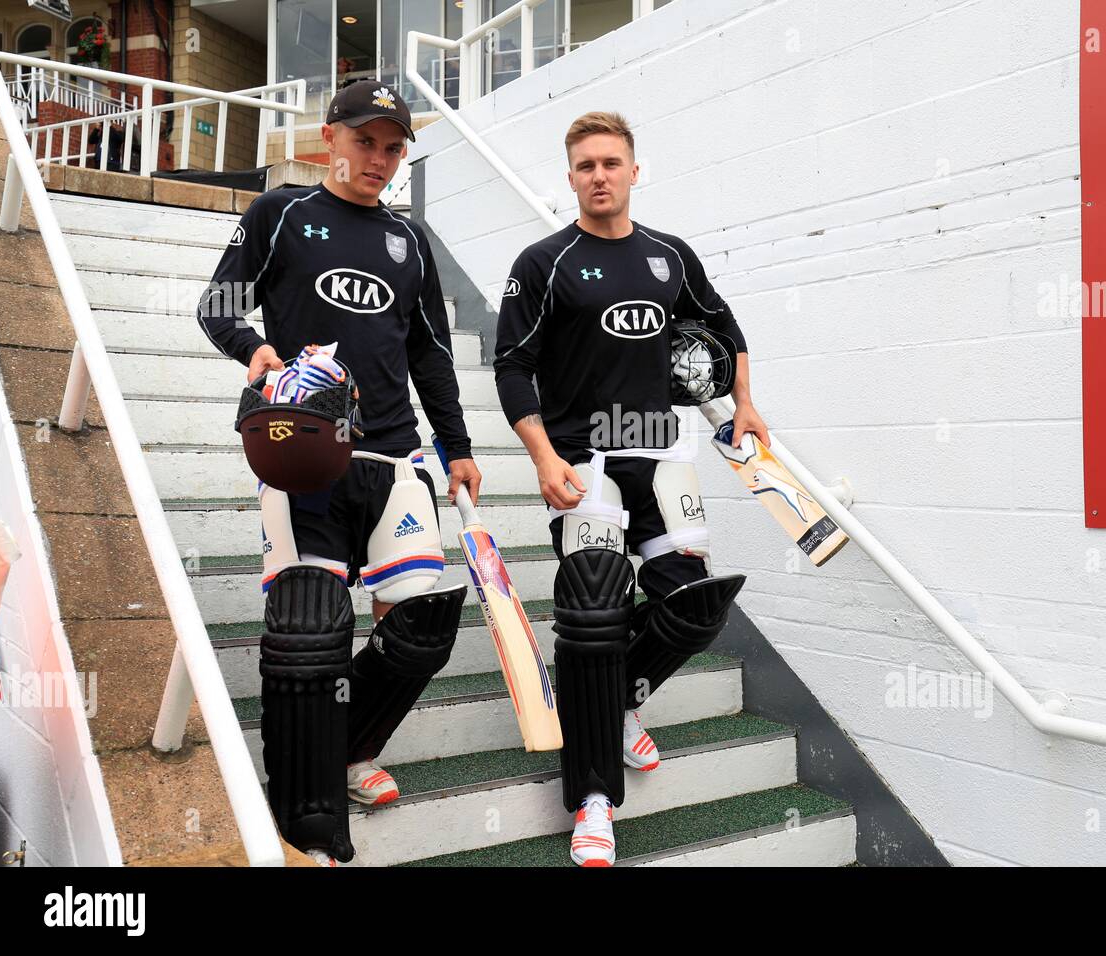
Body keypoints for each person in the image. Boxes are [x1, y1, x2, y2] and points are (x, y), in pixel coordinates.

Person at [196, 78, 482, 866]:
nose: (380, 160)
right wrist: (253, 352)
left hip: (395, 456)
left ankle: (341, 752)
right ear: (330, 137)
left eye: (393, 148)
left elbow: (428, 350)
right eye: (366, 142)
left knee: (421, 631)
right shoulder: (279, 213)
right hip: (305, 449)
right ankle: (306, 808)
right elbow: (218, 303)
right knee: (311, 632)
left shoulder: (409, 240)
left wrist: (455, 446)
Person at [493, 111, 767, 866]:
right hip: (585, 464)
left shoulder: (668, 257)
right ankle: (591, 802)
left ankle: (607, 701)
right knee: (593, 613)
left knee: (693, 604)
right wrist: (545, 456)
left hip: (662, 458)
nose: (600, 175)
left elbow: (722, 328)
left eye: (612, 162)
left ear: (634, 171)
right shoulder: (544, 261)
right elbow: (512, 366)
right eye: (585, 165)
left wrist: (742, 401)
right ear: (571, 176)